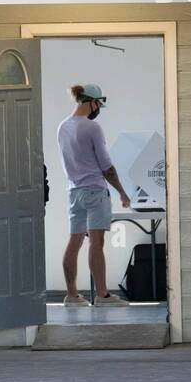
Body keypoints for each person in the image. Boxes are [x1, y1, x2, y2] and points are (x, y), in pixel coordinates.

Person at [57, 83, 130, 306]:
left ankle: (71, 295)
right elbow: (106, 167)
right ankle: (102, 295)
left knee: (74, 241)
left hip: (74, 191)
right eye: (99, 104)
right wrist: (122, 193)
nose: (98, 109)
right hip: (95, 191)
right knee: (96, 243)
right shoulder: (92, 128)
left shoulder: (63, 127)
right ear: (92, 102)